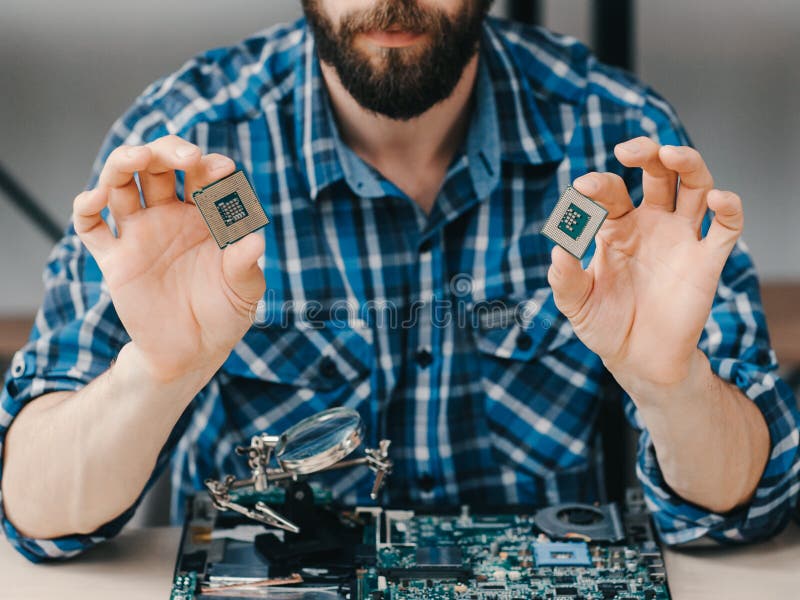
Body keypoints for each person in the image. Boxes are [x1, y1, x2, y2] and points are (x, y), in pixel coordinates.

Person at [1, 0, 798, 563]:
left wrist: (674, 385)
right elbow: (36, 513)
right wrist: (156, 373)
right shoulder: (189, 146)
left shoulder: (615, 140)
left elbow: (746, 506)